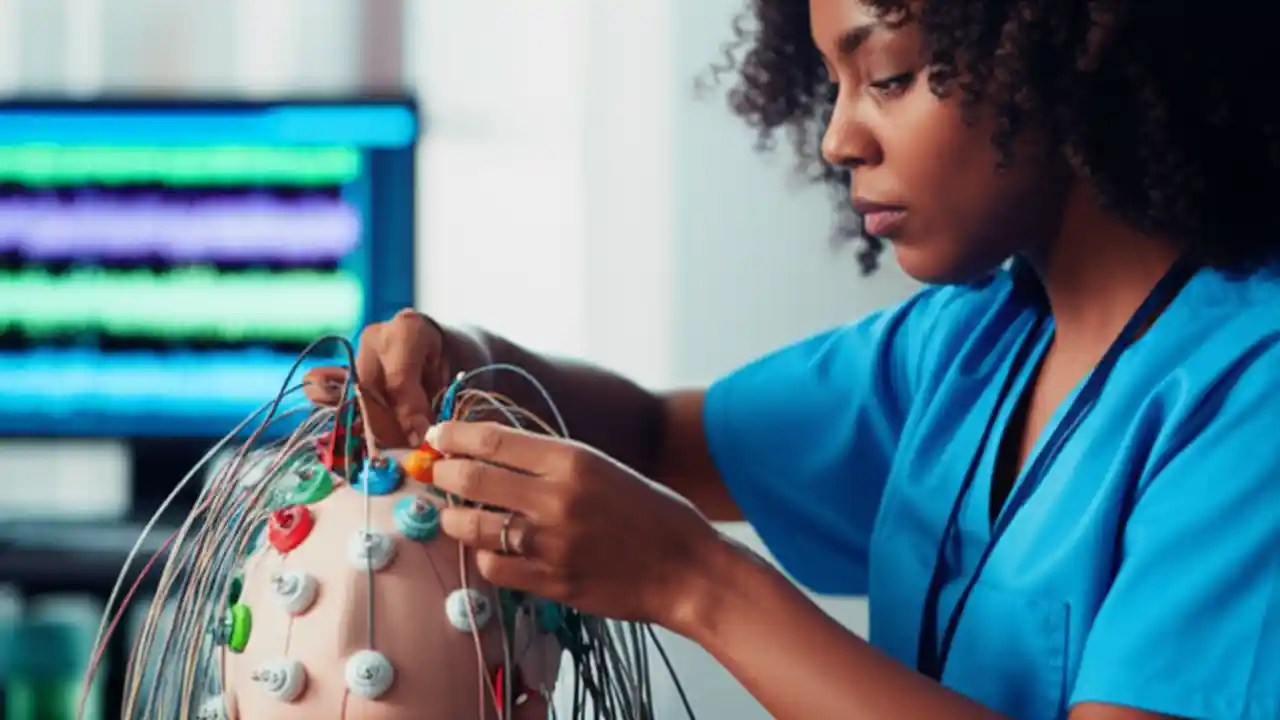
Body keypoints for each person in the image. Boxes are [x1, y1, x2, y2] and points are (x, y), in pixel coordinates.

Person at [306, 1, 1280, 717]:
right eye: (831, 84)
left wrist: (699, 584)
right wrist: (467, 367)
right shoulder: (975, 341)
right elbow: (653, 439)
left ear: (1068, 49)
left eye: (886, 76)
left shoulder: (1253, 395)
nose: (836, 136)